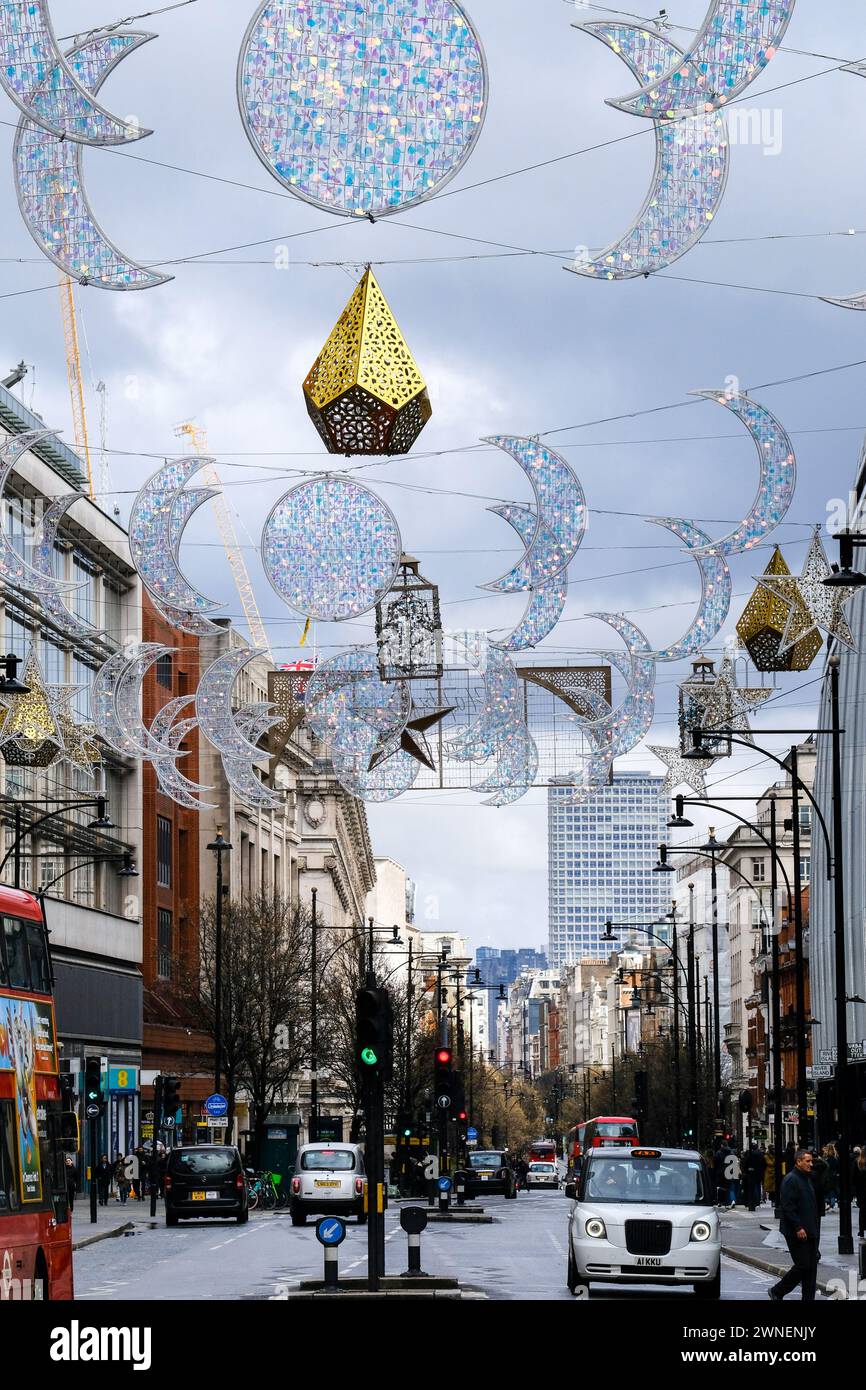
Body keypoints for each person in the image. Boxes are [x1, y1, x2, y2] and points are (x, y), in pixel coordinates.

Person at [768, 1148, 821, 1302]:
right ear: (798, 1162)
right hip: (796, 1231)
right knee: (803, 1265)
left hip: (810, 1230)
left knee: (811, 1268)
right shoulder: (791, 1179)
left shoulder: (806, 1178)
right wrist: (798, 1227)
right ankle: (777, 1291)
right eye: (807, 1161)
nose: (811, 1164)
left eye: (811, 1161)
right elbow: (788, 1206)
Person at [853, 1150, 866, 1240]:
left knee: (862, 1211)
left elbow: (854, 1177)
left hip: (861, 1191)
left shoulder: (858, 1162)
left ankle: (861, 1230)